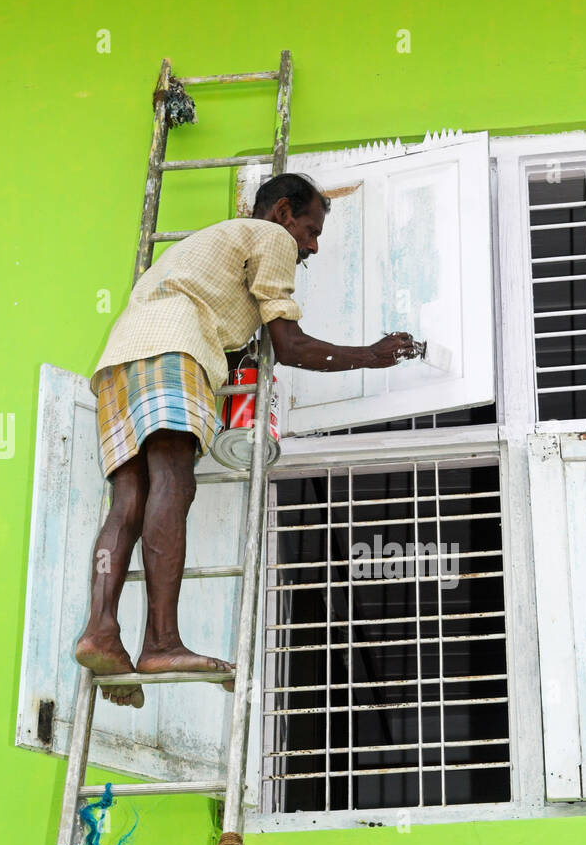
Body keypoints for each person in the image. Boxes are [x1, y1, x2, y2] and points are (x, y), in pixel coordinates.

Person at [75, 172, 416, 707]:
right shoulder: (271, 238)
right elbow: (291, 344)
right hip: (175, 351)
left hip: (120, 361)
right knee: (174, 481)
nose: (312, 245)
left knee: (128, 501)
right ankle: (161, 642)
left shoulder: (209, 250)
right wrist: (371, 356)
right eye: (310, 229)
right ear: (282, 213)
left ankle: (101, 630)